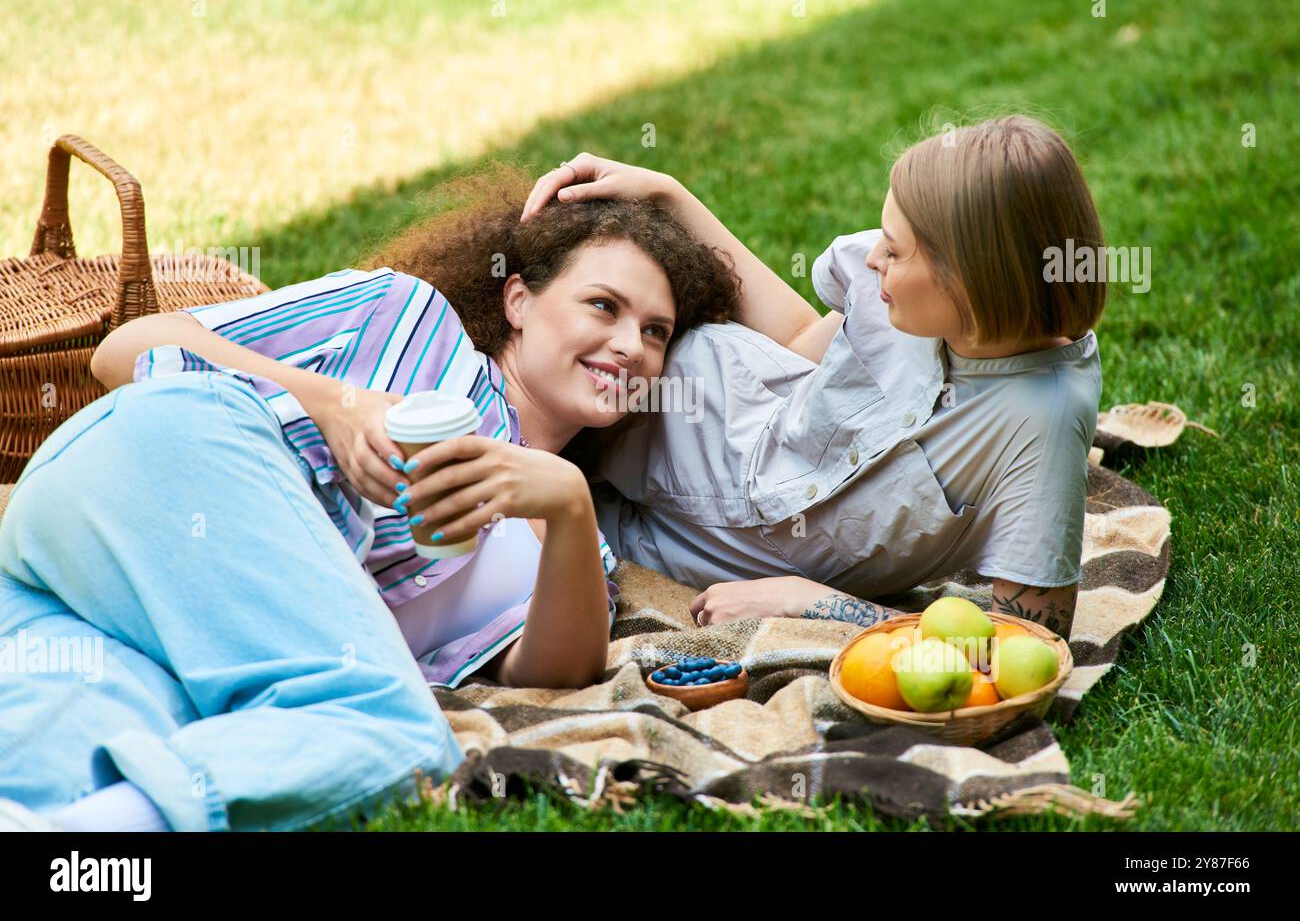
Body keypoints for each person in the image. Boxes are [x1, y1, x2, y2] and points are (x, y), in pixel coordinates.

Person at [0, 178, 739, 831]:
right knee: (394, 736)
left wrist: (571, 506)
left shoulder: (571, 543)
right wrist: (336, 406)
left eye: (655, 332)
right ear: (518, 299)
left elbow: (550, 677)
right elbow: (125, 350)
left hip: (140, 620)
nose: (628, 345)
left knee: (62, 755)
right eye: (602, 306)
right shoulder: (405, 319)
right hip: (152, 470)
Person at [520, 115, 1106, 640]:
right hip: (670, 398)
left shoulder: (1040, 417)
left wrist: (816, 604)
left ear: (972, 279)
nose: (873, 258)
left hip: (672, 547)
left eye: (895, 251)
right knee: (490, 417)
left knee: (522, 531)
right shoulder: (903, 293)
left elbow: (1021, 648)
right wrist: (669, 196)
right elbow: (800, 342)